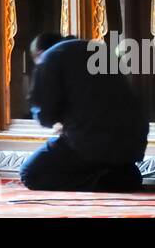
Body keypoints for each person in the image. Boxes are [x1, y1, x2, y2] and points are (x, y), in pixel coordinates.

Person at [19, 32, 148, 192]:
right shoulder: (98, 50)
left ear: (39, 53)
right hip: (131, 143)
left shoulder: (50, 57)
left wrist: (59, 121)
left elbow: (45, 115)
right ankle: (122, 174)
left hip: (89, 142)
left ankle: (102, 181)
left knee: (29, 173)